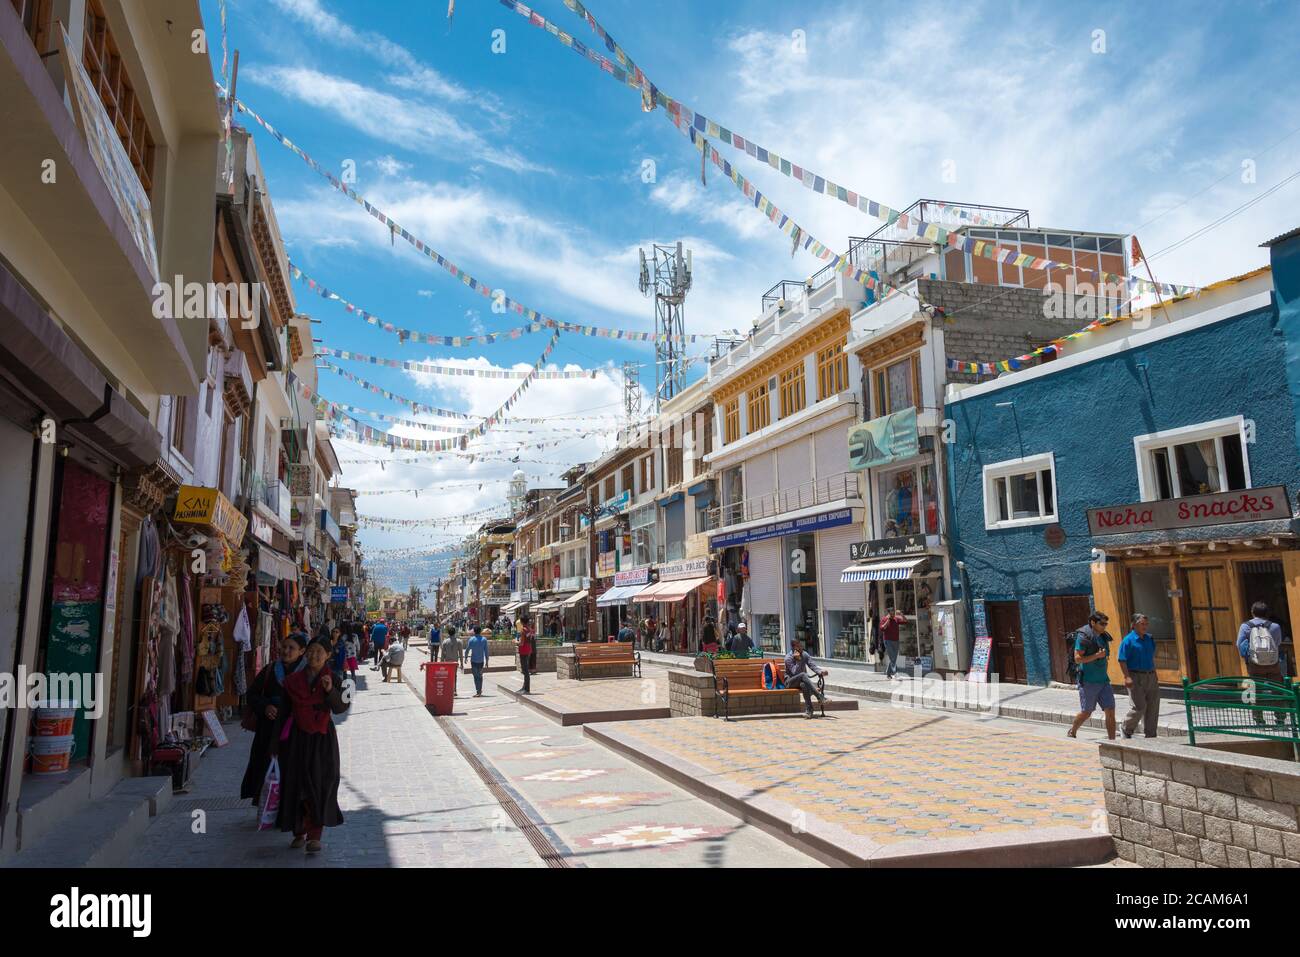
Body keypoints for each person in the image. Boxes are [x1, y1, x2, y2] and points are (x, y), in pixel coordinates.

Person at [276, 637, 349, 854]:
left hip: (322, 738)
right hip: (297, 738)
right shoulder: (293, 680)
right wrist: (275, 744)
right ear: (305, 654)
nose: (314, 656)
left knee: (320, 784)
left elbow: (341, 708)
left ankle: (315, 835)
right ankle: (299, 831)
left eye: (320, 652)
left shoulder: (336, 678)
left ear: (328, 655)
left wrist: (329, 691)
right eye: (311, 651)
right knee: (296, 784)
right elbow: (283, 712)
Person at [240, 632, 307, 806]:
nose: (286, 651)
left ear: (302, 651)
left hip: (295, 730)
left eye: (291, 648)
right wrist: (265, 707)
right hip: (268, 730)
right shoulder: (270, 670)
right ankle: (266, 805)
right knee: (266, 766)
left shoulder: (307, 673)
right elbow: (252, 694)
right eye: (284, 647)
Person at [1237, 601, 1289, 726]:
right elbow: (1277, 643)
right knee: (1277, 689)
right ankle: (1280, 719)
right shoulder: (1275, 626)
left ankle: (1259, 720)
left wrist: (1248, 658)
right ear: (1267, 613)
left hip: (1255, 664)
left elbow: (1239, 644)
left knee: (1255, 690)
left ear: (1252, 612)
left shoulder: (1246, 626)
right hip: (1273, 663)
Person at [1068, 612, 1116, 739]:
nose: (1104, 626)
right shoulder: (1084, 637)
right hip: (1088, 681)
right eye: (1102, 624)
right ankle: (1073, 730)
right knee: (1087, 712)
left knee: (1110, 711)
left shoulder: (1103, 637)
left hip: (1104, 681)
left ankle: (1112, 741)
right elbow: (1077, 659)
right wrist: (1097, 656)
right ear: (1093, 623)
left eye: (1106, 624)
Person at [1118, 613, 1159, 739]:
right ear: (1134, 625)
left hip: (1151, 676)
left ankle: (1151, 735)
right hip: (1135, 676)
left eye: (1146, 624)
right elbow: (1122, 659)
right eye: (1142, 624)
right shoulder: (1128, 641)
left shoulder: (1149, 639)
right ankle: (1126, 728)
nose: (1145, 626)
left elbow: (1151, 656)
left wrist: (1154, 673)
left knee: (1153, 706)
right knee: (1140, 706)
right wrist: (1127, 677)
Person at [785, 638, 830, 718]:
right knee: (803, 675)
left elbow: (812, 665)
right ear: (794, 647)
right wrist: (798, 660)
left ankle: (809, 711)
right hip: (790, 682)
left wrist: (820, 672)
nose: (801, 646)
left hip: (801, 681)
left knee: (804, 685)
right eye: (799, 645)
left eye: (801, 645)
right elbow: (795, 673)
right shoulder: (788, 658)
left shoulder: (804, 654)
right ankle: (819, 697)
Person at [879, 607, 905, 678]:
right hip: (888, 641)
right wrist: (888, 621)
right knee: (892, 658)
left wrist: (902, 614)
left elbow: (905, 621)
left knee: (893, 658)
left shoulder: (896, 619)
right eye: (892, 613)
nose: (893, 615)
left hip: (896, 641)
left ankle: (888, 673)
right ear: (889, 613)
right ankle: (895, 673)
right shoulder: (884, 619)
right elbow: (882, 628)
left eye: (894, 613)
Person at [467, 626, 490, 697]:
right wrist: (487, 662)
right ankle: (479, 690)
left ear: (474, 631)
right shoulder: (484, 639)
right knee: (480, 676)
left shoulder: (471, 639)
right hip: (481, 661)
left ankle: (478, 691)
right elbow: (486, 651)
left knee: (475, 676)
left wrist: (465, 657)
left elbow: (467, 649)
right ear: (480, 631)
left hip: (473, 661)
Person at [517, 620, 534, 694]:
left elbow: (521, 643)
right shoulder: (529, 629)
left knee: (525, 670)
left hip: (523, 650)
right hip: (528, 649)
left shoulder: (523, 630)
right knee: (526, 669)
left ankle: (526, 689)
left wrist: (515, 641)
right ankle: (524, 687)